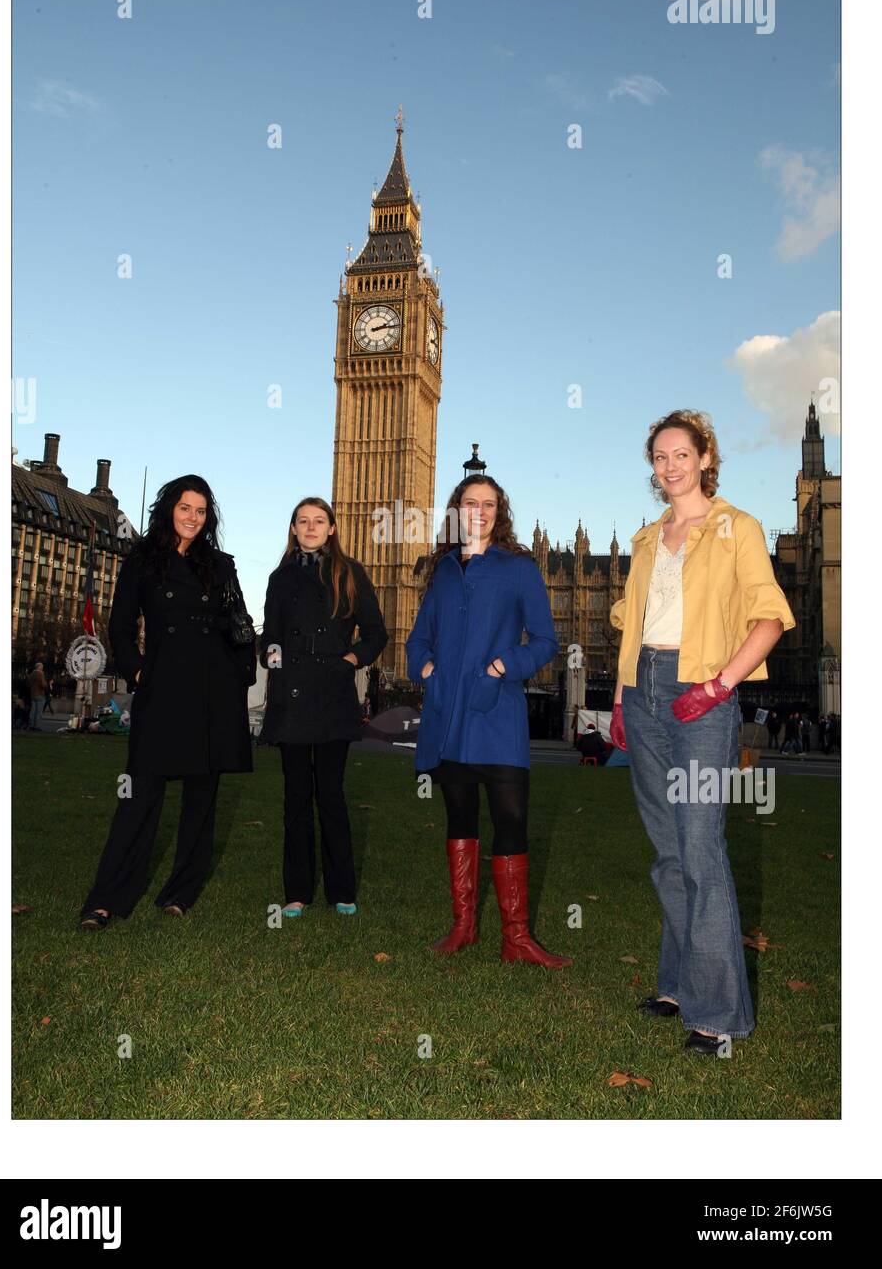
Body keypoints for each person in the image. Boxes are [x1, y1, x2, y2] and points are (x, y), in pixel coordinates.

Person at [609, 410, 795, 1054]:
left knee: (700, 848)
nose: (670, 466)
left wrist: (718, 685)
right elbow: (631, 622)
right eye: (659, 457)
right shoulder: (645, 537)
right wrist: (617, 699)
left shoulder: (736, 528)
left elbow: (769, 618)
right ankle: (679, 983)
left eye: (680, 454)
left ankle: (718, 1015)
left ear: (706, 457)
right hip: (643, 688)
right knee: (666, 850)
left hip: (701, 692)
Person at [407, 476, 571, 968]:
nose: (479, 511)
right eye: (470, 503)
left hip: (497, 715)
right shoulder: (441, 571)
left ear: (500, 512)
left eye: (489, 504)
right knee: (459, 819)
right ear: (456, 510)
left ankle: (516, 937)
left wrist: (503, 667)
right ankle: (464, 927)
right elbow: (417, 641)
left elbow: (544, 641)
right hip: (448, 716)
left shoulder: (519, 568)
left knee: (511, 819)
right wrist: (429, 671)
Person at [79, 476, 256, 929]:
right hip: (162, 686)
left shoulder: (221, 565)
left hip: (212, 689)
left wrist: (238, 681)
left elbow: (239, 627)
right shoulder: (142, 560)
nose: (192, 517)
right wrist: (137, 670)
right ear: (169, 510)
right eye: (184, 508)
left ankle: (181, 892)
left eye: (200, 510)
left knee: (201, 799)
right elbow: (120, 625)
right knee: (138, 795)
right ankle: (106, 898)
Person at [258, 497, 387, 917]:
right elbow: (269, 635)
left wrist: (349, 660)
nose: (310, 527)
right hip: (292, 693)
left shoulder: (350, 574)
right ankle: (296, 891)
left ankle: (341, 890)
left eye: (319, 521)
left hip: (331, 693)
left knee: (330, 794)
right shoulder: (280, 578)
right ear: (293, 529)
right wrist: (272, 656)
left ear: (332, 529)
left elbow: (375, 633)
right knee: (295, 796)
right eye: (303, 521)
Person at [27, 662, 47, 730]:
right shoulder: (40, 674)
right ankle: (36, 726)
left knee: (33, 711)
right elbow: (43, 684)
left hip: (33, 694)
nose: (42, 668)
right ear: (40, 667)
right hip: (40, 694)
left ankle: (31, 725)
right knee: (38, 712)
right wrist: (46, 684)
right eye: (42, 667)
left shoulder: (32, 674)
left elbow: (28, 683)